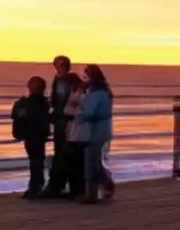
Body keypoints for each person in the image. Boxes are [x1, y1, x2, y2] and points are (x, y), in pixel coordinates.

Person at [77, 64, 114, 204]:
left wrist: (78, 117)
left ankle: (92, 192)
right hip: (102, 128)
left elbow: (88, 112)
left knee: (91, 160)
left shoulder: (97, 93)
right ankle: (104, 183)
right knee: (94, 159)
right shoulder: (103, 92)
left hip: (97, 128)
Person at [41, 56, 74, 197]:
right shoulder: (58, 80)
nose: (57, 67)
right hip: (60, 119)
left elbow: (69, 100)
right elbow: (56, 100)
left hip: (66, 120)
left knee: (65, 153)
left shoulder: (70, 80)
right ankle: (58, 184)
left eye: (59, 65)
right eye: (56, 65)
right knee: (60, 152)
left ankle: (61, 184)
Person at [13, 76, 51, 199]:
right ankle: (36, 186)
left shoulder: (30, 103)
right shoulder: (42, 103)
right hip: (36, 134)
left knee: (36, 161)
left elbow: (18, 117)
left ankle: (35, 187)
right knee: (36, 161)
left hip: (33, 134)